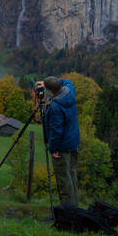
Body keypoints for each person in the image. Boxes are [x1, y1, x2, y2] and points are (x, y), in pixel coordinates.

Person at [40, 76, 80, 208]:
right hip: (73, 141)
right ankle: (75, 207)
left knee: (63, 179)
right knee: (72, 173)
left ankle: (69, 211)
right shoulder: (70, 91)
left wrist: (52, 149)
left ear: (50, 91)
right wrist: (51, 83)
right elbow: (68, 80)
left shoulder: (55, 107)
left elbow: (56, 131)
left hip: (62, 147)